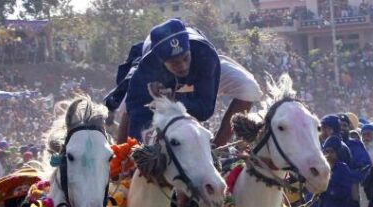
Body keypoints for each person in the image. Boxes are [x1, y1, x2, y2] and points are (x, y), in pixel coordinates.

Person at [107, 18, 261, 146]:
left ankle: (217, 147)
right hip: (158, 80)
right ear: (161, 61)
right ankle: (121, 161)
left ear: (189, 50)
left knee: (249, 87)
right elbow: (137, 116)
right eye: (174, 62)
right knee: (126, 107)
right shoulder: (147, 69)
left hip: (198, 73)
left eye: (185, 58)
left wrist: (173, 100)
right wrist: (139, 152)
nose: (182, 66)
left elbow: (204, 110)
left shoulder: (204, 54)